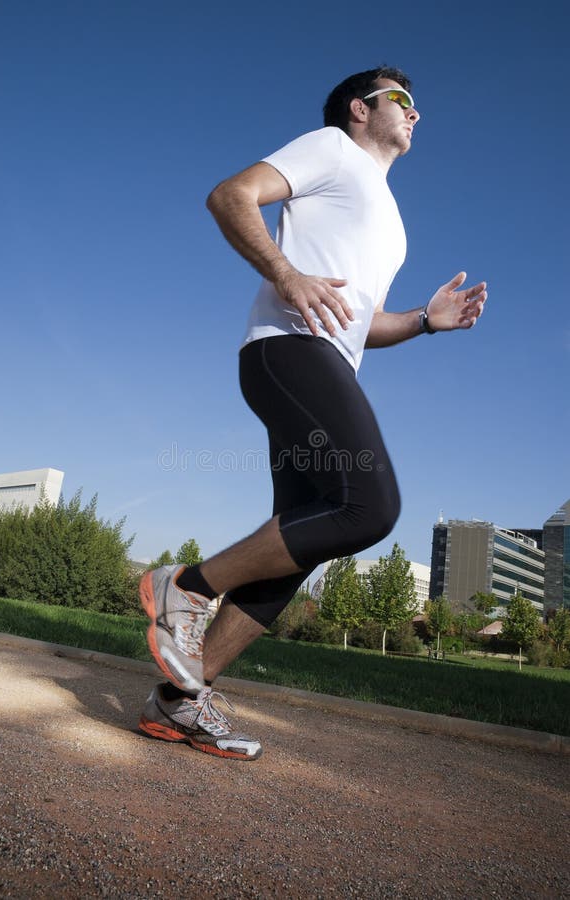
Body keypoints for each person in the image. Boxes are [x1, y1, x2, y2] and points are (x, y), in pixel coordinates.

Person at [138, 66, 487, 760]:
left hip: (324, 358)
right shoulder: (333, 150)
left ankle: (177, 702)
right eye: (403, 100)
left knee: (302, 543)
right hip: (289, 353)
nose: (416, 114)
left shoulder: (386, 215)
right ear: (360, 109)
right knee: (369, 507)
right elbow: (230, 195)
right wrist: (284, 273)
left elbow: (359, 321)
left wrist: (422, 320)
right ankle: (183, 585)